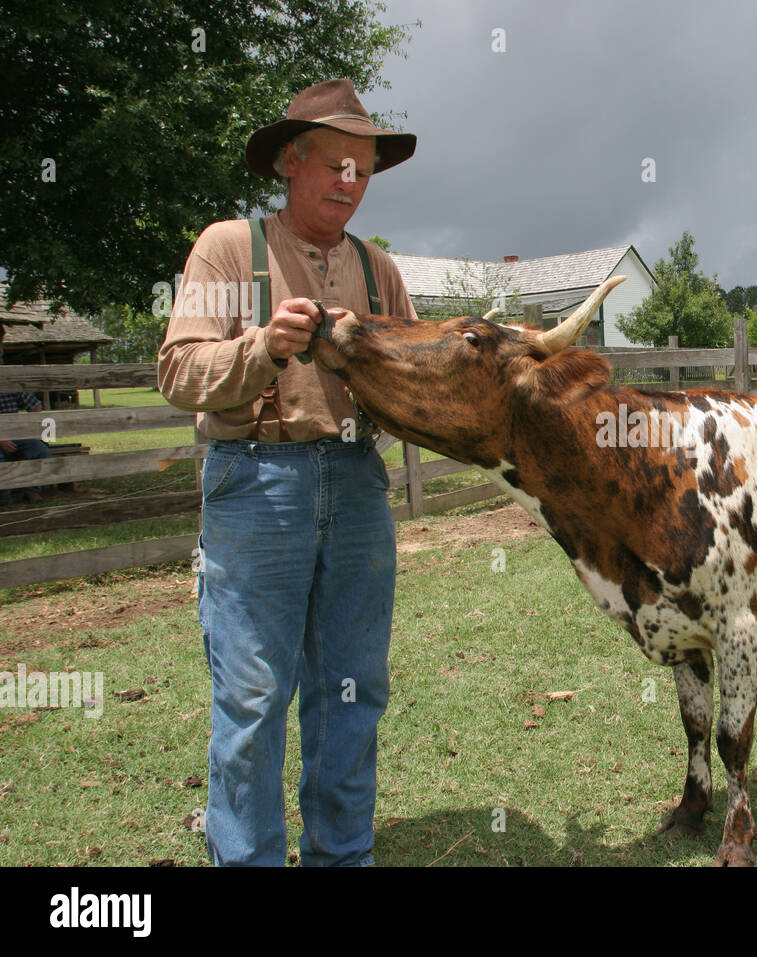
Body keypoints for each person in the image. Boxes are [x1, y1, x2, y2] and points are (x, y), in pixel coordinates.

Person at [158, 79, 418, 866]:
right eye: (336, 162)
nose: (350, 181)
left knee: (353, 691)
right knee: (252, 695)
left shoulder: (380, 273)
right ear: (288, 161)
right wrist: (262, 347)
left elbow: (412, 391)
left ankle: (342, 855)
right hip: (255, 482)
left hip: (356, 483)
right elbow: (176, 371)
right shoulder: (230, 249)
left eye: (363, 170)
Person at [0, 391, 52, 505]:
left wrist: (29, 428)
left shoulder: (9, 388)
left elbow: (35, 405)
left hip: (14, 435)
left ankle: (31, 491)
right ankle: (3, 494)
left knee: (40, 450)